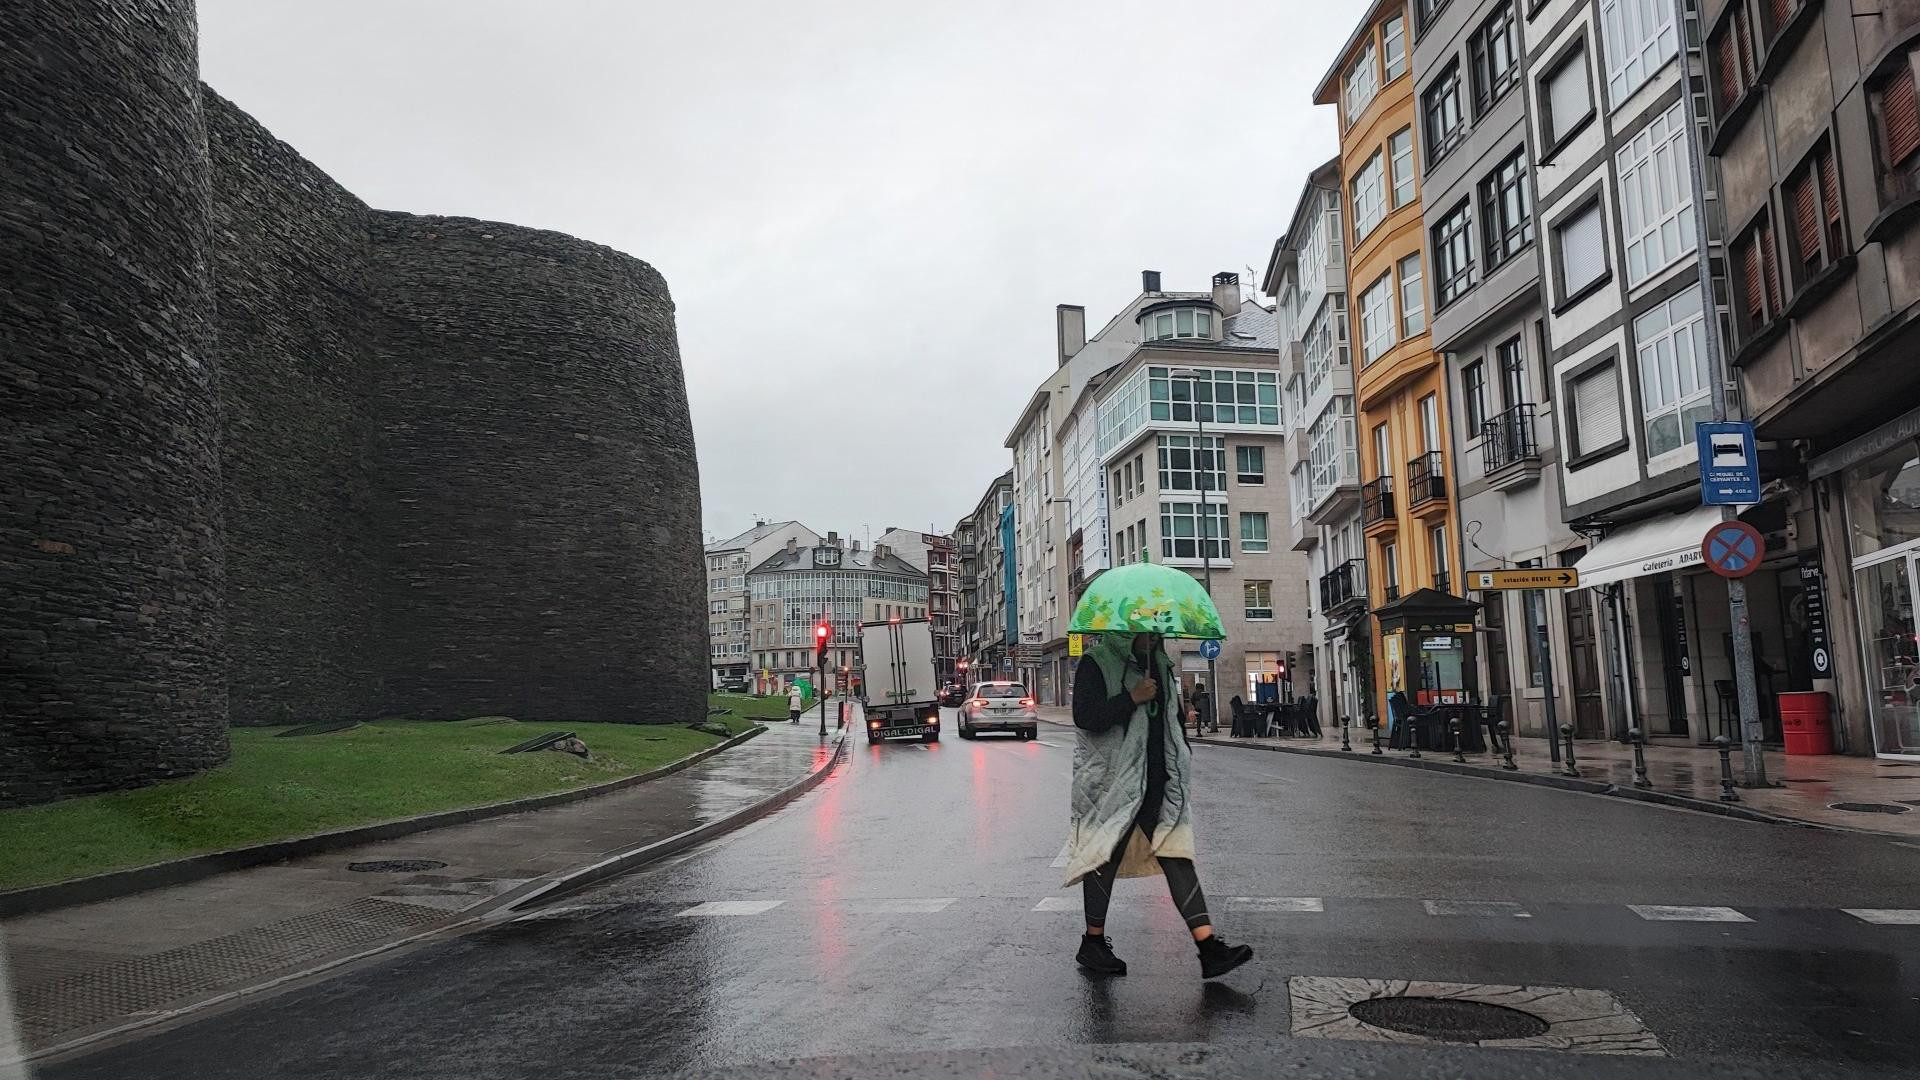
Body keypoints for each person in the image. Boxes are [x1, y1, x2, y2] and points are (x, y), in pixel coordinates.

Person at [1062, 632, 1252, 980]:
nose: (1151, 636)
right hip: (1113, 781)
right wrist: (1131, 697)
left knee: (1176, 853)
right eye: (1142, 629)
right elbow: (1085, 716)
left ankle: (1208, 947)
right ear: (1122, 630)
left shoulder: (1161, 666)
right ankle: (1093, 941)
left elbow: (1170, 720)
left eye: (1156, 629)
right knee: (1104, 855)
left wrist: (1181, 749)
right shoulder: (1097, 663)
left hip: (1158, 779)